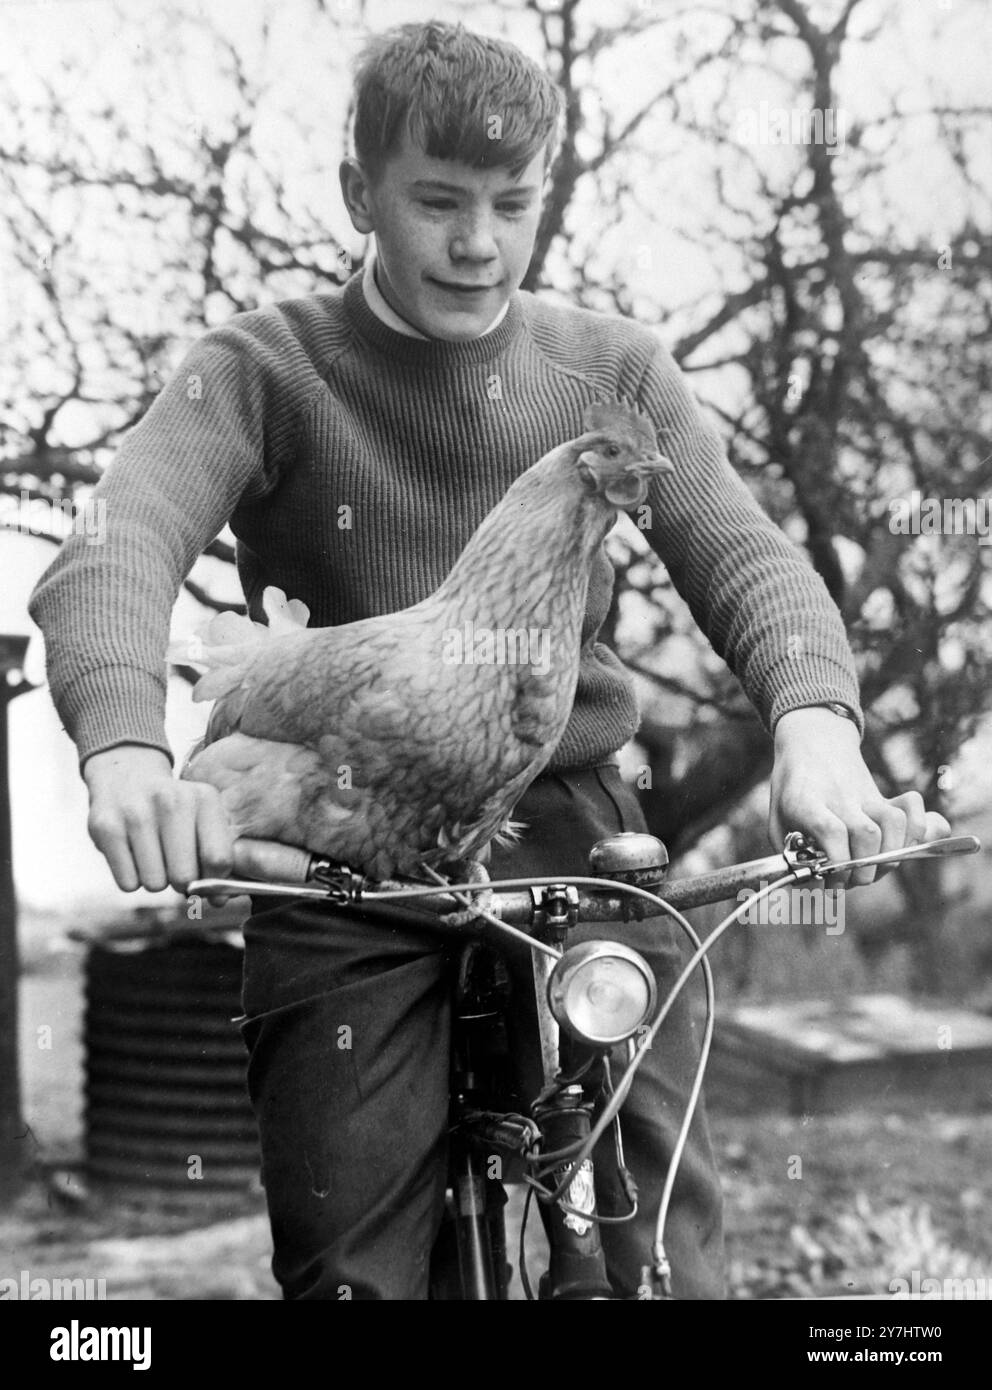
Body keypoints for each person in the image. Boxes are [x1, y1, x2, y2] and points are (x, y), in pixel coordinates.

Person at [29, 21, 949, 1300]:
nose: (478, 243)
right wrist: (126, 748)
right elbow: (115, 539)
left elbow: (745, 554)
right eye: (438, 201)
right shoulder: (258, 369)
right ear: (361, 195)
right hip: (337, 839)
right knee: (353, 1247)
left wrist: (817, 727)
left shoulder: (612, 373)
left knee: (650, 1231)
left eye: (511, 204)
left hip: (561, 817)